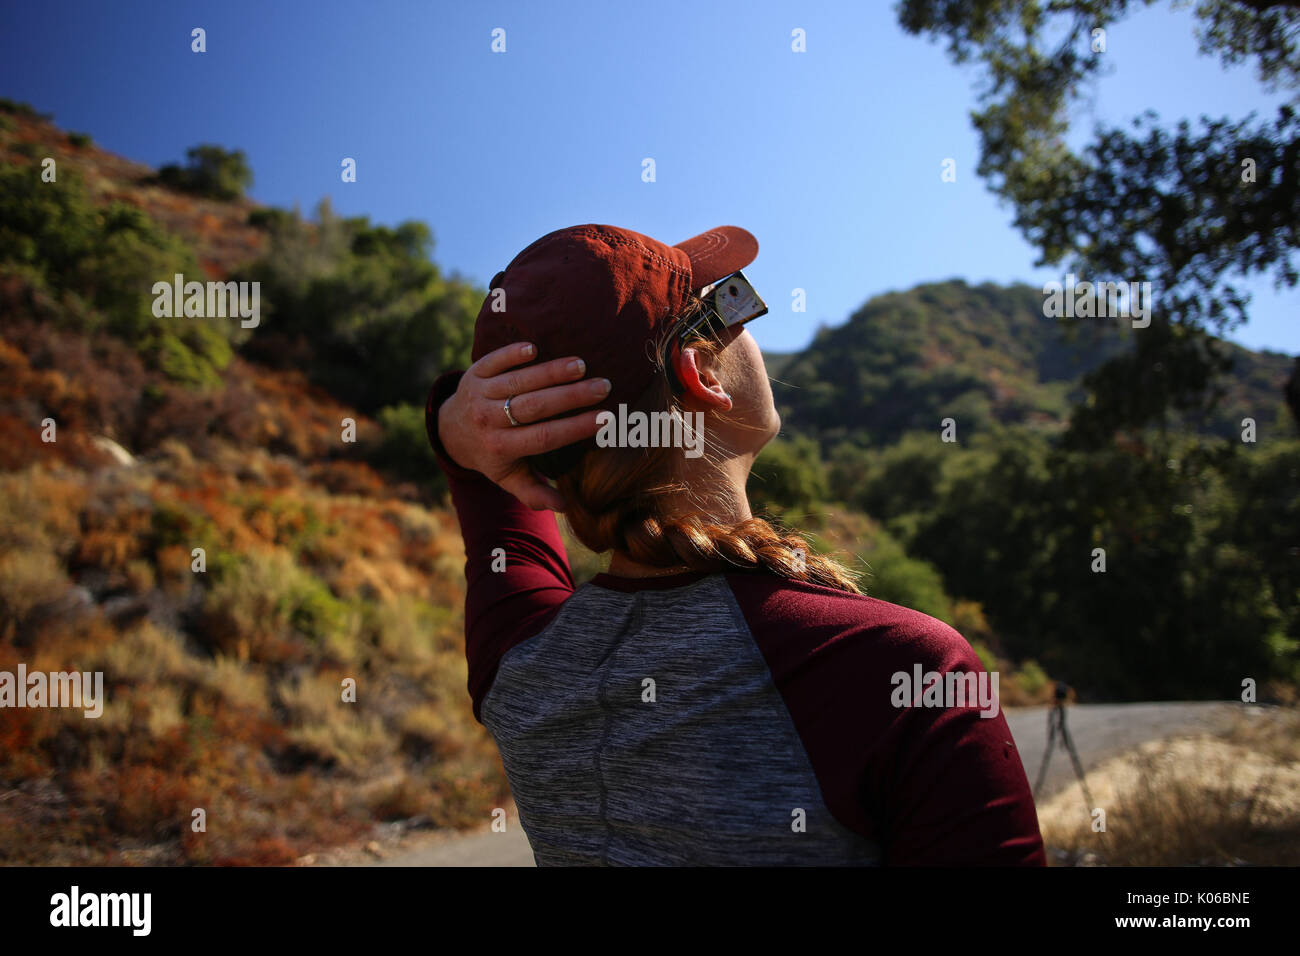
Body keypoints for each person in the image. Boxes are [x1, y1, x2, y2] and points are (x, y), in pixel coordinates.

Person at [425, 223, 1046, 866]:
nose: (750, 326)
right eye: (732, 303)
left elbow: (490, 506)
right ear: (700, 376)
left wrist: (455, 419)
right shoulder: (911, 667)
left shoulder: (520, 663)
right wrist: (454, 423)